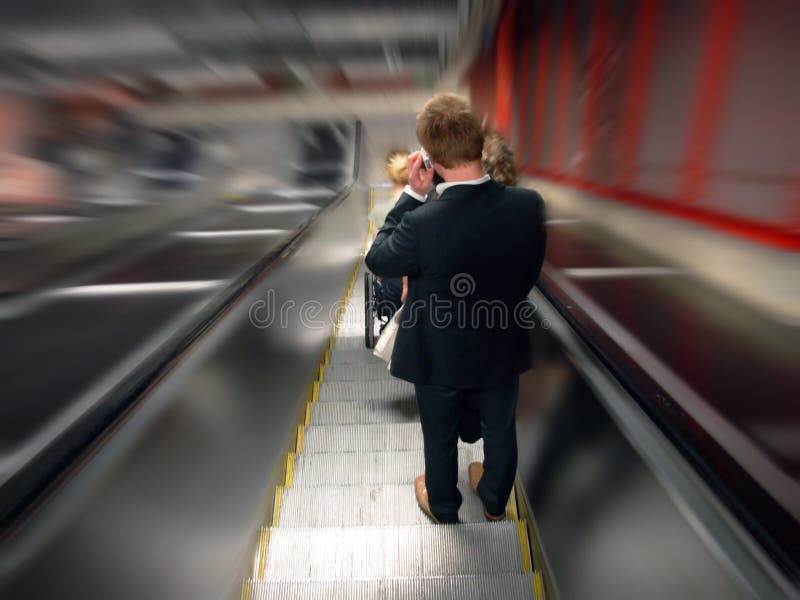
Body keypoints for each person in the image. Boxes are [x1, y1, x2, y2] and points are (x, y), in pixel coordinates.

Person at [365, 93, 546, 524]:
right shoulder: (527, 206)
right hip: (500, 344)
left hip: (438, 353)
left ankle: (443, 505)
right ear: (478, 141)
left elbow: (378, 259)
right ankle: (495, 498)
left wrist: (412, 193)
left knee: (440, 433)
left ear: (428, 156)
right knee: (500, 427)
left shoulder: (422, 221)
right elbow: (527, 272)